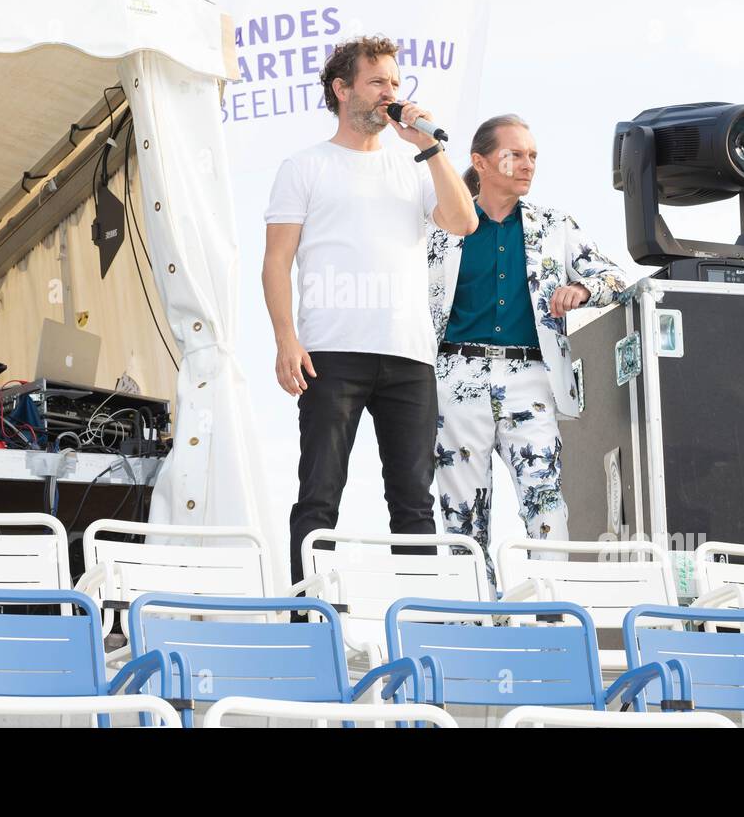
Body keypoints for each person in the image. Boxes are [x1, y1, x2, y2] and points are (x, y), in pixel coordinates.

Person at [263, 35, 477, 587]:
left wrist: (430, 148)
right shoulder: (305, 166)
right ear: (343, 88)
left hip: (408, 355)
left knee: (413, 502)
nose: (391, 92)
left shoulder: (413, 164)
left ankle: (422, 621)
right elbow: (276, 262)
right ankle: (312, 620)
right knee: (319, 496)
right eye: (378, 81)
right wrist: (287, 339)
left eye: (395, 82)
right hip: (330, 353)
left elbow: (464, 222)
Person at [427, 114, 629, 588]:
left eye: (532, 155)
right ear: (480, 161)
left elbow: (615, 278)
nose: (527, 164)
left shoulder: (553, 226)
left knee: (545, 501)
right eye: (514, 154)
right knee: (462, 513)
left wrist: (580, 287)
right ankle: (472, 621)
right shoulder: (441, 226)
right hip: (456, 375)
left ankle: (549, 615)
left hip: (530, 377)